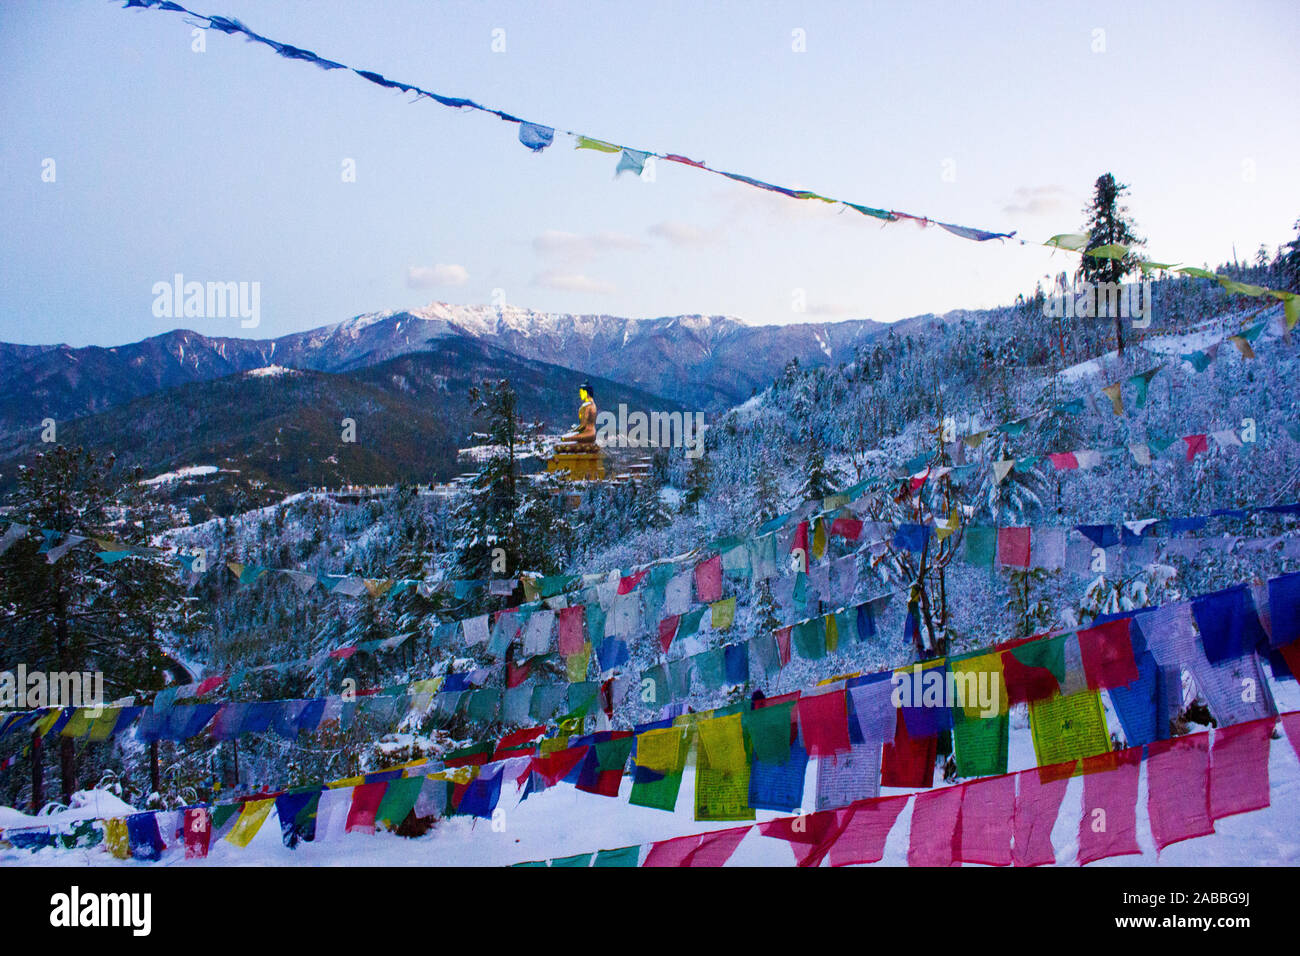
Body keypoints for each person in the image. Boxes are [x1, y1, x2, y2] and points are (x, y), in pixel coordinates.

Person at [556, 382, 599, 453]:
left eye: (581, 392)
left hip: (587, 433)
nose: (580, 394)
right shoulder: (592, 405)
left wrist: (573, 431)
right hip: (591, 432)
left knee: (564, 438)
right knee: (566, 437)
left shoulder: (587, 406)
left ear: (586, 392)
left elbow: (583, 426)